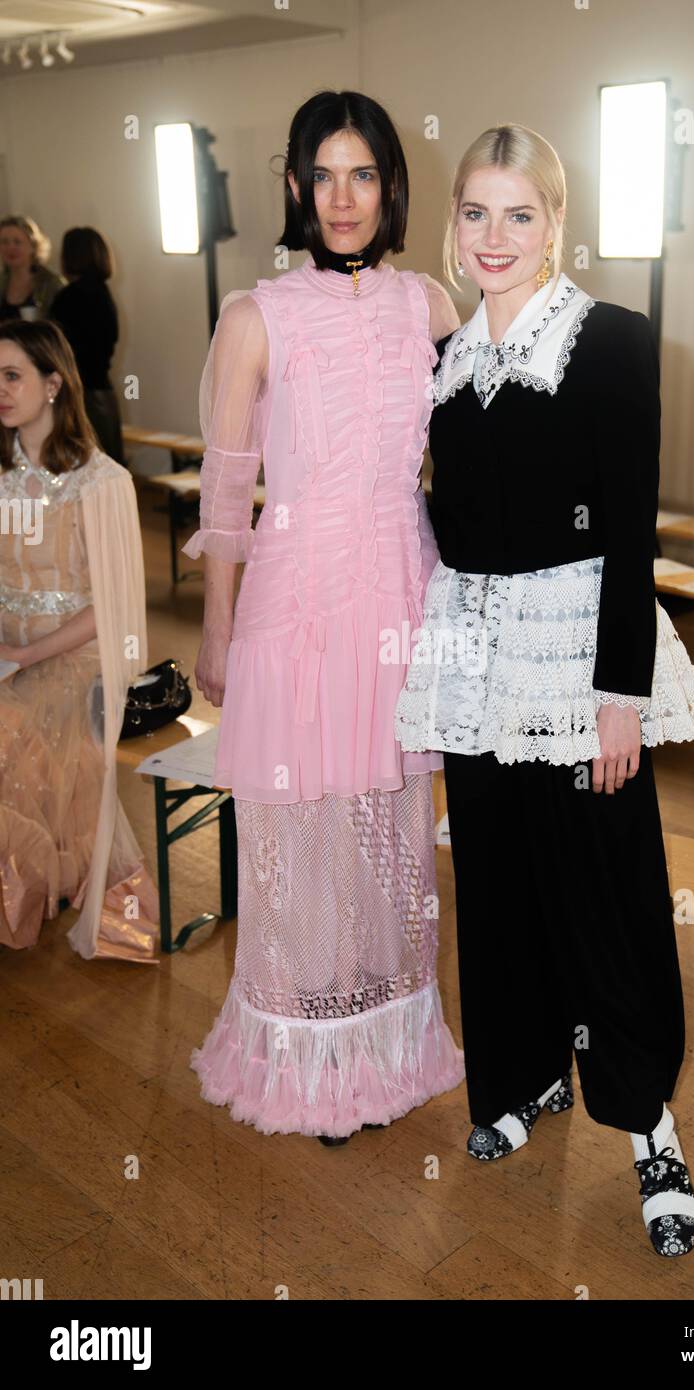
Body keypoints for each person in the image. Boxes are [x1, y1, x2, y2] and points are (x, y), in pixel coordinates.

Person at [394, 124, 694, 1256]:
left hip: (575, 657)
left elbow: (629, 531)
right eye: (475, 214)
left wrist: (616, 692)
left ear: (555, 223)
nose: (493, 237)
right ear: (454, 222)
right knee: (497, 880)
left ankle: (647, 1122)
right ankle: (526, 1078)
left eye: (517, 214)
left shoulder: (611, 340)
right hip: (471, 656)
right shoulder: (446, 357)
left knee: (605, 889)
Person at [183, 90, 464, 1142]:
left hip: (401, 584)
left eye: (363, 175)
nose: (342, 198)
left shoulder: (428, 304)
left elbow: (485, 446)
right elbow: (225, 491)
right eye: (322, 175)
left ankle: (386, 1032)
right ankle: (308, 1048)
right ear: (295, 186)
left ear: (390, 187)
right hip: (297, 595)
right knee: (301, 825)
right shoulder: (256, 315)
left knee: (387, 821)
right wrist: (216, 622)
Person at [0, 319, 159, 960]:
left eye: (12, 375)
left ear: (54, 383)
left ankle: (37, 892)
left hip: (75, 662)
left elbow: (113, 607)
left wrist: (25, 656)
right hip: (11, 656)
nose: (1, 390)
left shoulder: (102, 482)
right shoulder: (3, 475)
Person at [50, 228, 125, 465]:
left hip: (82, 394)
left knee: (88, 468)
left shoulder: (70, 298)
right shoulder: (103, 293)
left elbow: (57, 349)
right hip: (102, 390)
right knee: (107, 465)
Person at [0, 215, 64, 321]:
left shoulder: (51, 283)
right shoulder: (2, 281)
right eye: (4, 242)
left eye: (17, 242)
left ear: (33, 246)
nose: (10, 248)